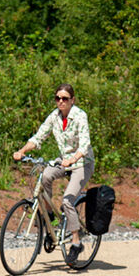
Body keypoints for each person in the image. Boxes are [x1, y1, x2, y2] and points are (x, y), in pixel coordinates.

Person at [12, 84, 94, 263]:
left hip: (82, 163)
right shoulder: (54, 116)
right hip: (63, 160)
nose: (61, 102)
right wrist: (22, 151)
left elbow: (85, 145)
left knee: (67, 201)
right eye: (58, 98)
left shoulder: (80, 116)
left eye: (65, 98)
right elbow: (39, 137)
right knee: (46, 176)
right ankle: (49, 219)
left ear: (72, 100)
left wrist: (72, 160)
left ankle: (76, 242)